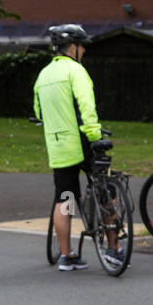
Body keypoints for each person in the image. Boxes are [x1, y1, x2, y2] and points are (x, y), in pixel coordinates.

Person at [34, 23, 106, 271]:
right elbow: (86, 106)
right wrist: (95, 135)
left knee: (65, 197)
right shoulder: (76, 71)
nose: (84, 50)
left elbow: (38, 112)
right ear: (73, 47)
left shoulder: (43, 75)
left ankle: (67, 256)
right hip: (82, 141)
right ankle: (116, 249)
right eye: (82, 46)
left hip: (58, 146)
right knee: (106, 188)